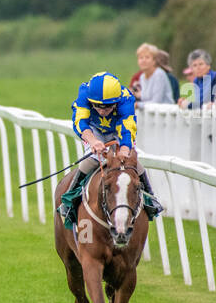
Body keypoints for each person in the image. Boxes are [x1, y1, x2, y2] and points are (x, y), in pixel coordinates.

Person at [57, 72, 163, 227]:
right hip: (93, 130)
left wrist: (125, 150)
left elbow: (127, 128)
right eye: (97, 106)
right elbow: (80, 122)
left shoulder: (126, 98)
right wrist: (93, 142)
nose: (101, 111)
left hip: (117, 131)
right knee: (89, 162)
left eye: (107, 107)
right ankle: (69, 200)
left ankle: (150, 198)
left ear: (115, 102)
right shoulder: (84, 93)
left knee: (135, 164)